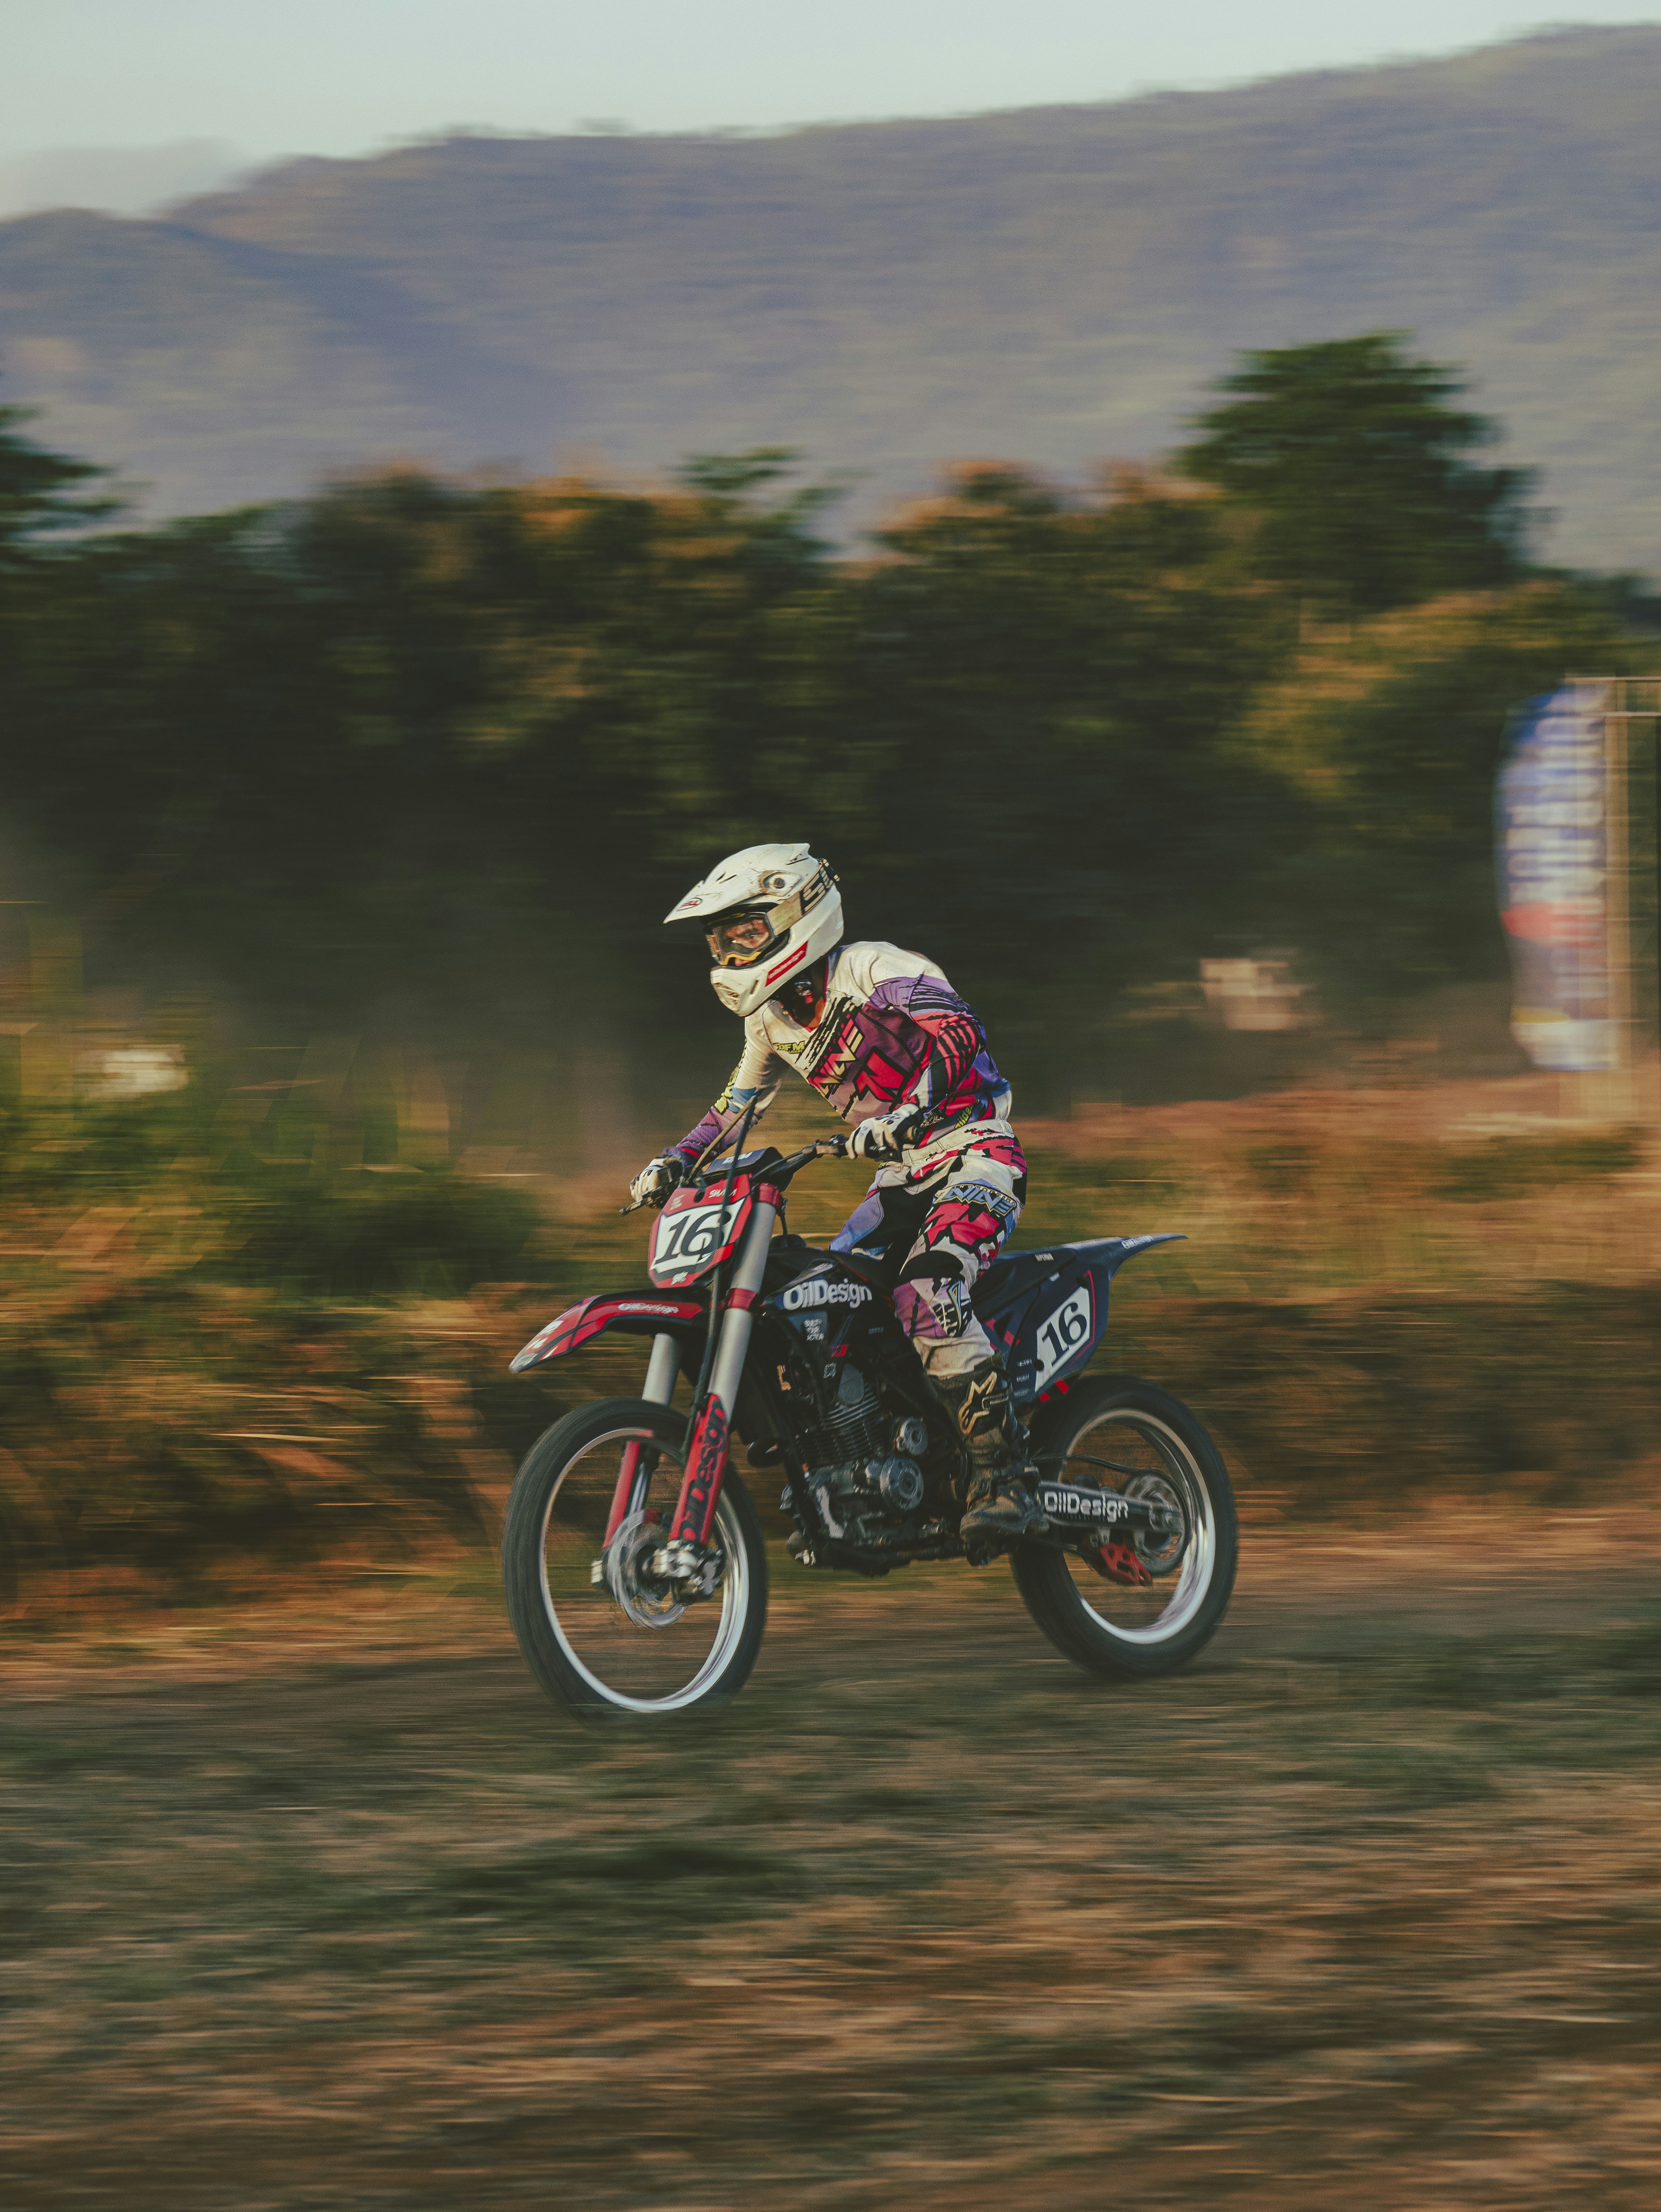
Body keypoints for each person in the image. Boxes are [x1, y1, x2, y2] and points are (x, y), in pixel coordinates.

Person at [629, 842, 1048, 1540]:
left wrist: (912, 1110)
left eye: (747, 933)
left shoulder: (875, 970)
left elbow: (957, 1032)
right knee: (825, 1302)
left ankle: (1006, 1478)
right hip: (900, 1175)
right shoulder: (768, 1020)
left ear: (800, 912)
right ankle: (856, 1467)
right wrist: (677, 1159)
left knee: (926, 1292)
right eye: (722, 940)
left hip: (975, 1151)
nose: (733, 954)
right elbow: (738, 1105)